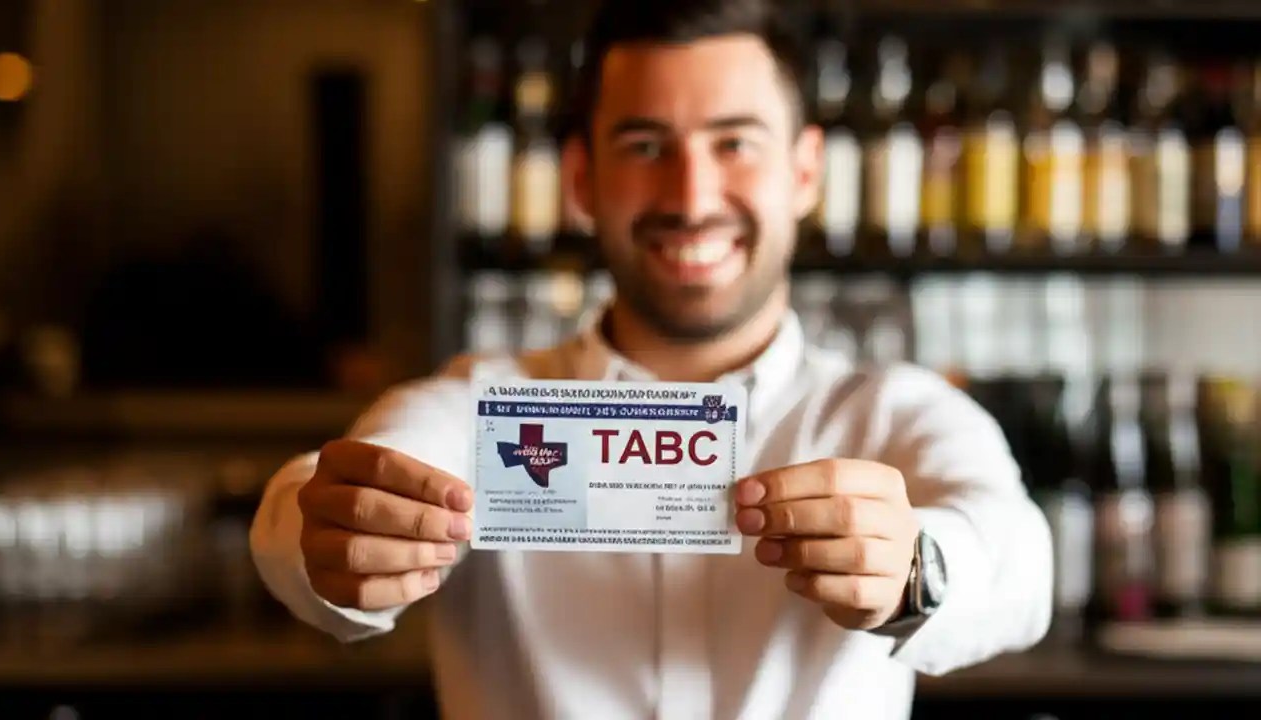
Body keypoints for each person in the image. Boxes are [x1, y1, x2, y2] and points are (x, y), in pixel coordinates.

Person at [249, 1, 1053, 717]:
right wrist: (333, 534)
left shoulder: (894, 413)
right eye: (644, 145)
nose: (691, 197)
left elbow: (1021, 566)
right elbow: (307, 503)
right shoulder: (477, 406)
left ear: (805, 171)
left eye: (734, 143)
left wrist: (916, 567)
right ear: (581, 178)